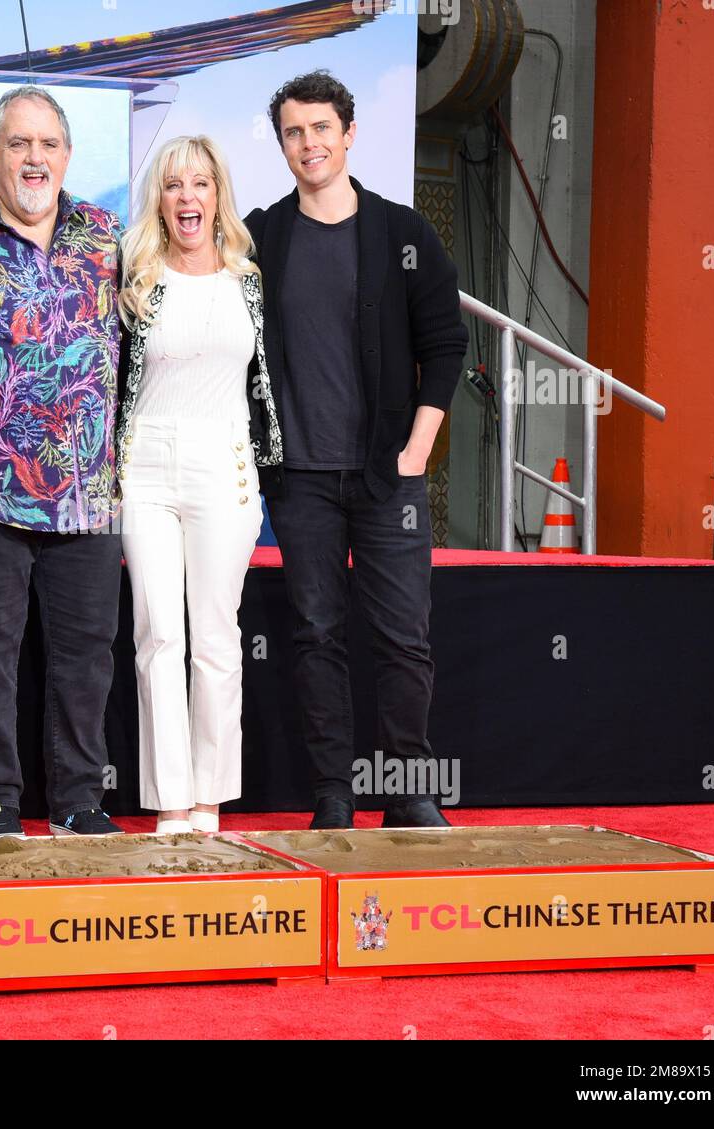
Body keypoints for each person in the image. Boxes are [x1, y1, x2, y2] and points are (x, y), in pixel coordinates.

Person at [244, 70, 469, 830]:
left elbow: (446, 343)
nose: (308, 143)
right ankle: (332, 794)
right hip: (298, 479)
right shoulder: (262, 235)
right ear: (282, 144)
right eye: (293, 132)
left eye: (320, 129)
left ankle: (408, 790)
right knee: (315, 634)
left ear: (348, 134)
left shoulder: (402, 234)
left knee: (404, 636)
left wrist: (416, 453)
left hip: (386, 477)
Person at [0, 86, 124, 839]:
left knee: (86, 656)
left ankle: (78, 799)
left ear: (66, 156)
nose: (33, 158)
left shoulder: (109, 238)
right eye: (18, 143)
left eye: (47, 144)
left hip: (90, 490)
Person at [115, 136, 282, 834]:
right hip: (146, 463)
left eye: (201, 184)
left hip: (227, 463)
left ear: (219, 196)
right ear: (160, 198)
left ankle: (211, 801)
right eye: (174, 184)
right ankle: (172, 802)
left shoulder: (251, 278)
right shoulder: (135, 276)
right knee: (157, 634)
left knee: (216, 636)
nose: (188, 196)